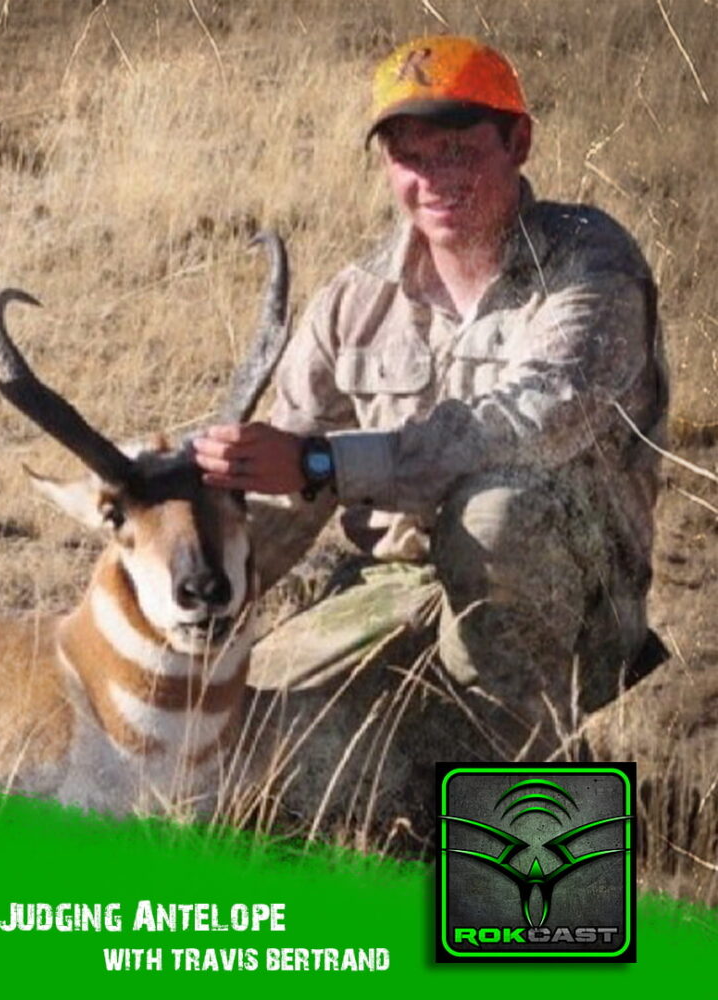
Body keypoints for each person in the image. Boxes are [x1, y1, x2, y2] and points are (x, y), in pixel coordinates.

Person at [193, 35, 667, 761]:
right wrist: (185, 587)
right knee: (259, 744)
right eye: (410, 157)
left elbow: (525, 424)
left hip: (571, 602)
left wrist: (323, 463)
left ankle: (527, 800)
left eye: (458, 151)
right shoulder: (354, 302)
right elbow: (282, 500)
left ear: (518, 143)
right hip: (394, 590)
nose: (435, 180)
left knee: (497, 513)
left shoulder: (589, 265)